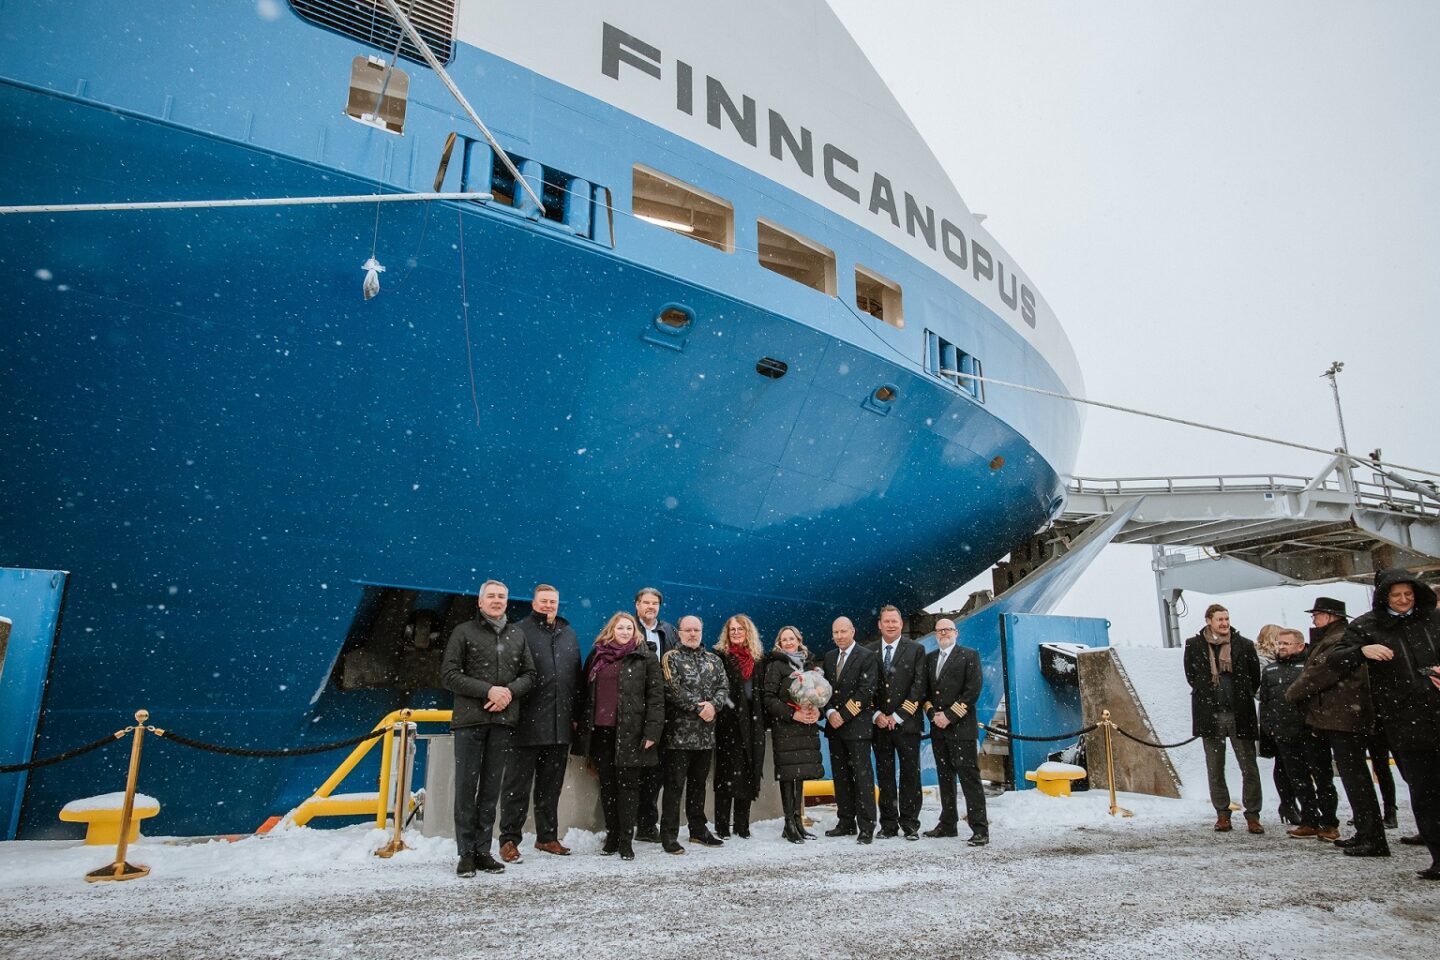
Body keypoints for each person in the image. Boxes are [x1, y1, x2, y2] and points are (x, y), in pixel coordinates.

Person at [1331, 569, 1440, 878]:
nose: (1404, 600)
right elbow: (1336, 658)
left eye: (1408, 594)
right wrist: (1361, 650)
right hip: (1405, 719)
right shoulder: (1367, 625)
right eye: (1396, 595)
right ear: (1385, 597)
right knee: (1424, 789)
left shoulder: (1433, 619)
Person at [441, 579, 537, 877]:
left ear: (507, 602)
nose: (497, 601)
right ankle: (466, 853)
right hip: (471, 721)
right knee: (466, 789)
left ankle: (484, 850)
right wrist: (488, 691)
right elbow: (449, 674)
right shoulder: (464, 632)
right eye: (491, 597)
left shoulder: (517, 635)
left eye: (502, 597)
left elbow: (530, 674)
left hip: (503, 722)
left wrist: (507, 692)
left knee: (491, 790)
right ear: (480, 602)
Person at [1285, 596, 1384, 850]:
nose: (1314, 620)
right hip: (1340, 716)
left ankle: (1371, 836)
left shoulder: (1337, 640)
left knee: (1356, 778)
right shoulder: (1337, 638)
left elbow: (1319, 672)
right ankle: (1366, 832)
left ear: (1329, 616)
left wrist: (1293, 693)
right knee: (1355, 778)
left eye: (1316, 615)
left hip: (1343, 718)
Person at [497, 584, 582, 863]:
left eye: (553, 601)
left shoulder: (568, 634)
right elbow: (507, 672)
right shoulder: (518, 630)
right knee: (516, 787)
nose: (548, 605)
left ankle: (547, 837)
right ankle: (509, 839)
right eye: (544, 601)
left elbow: (576, 680)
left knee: (550, 787)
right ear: (533, 602)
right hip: (525, 725)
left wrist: (576, 716)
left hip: (559, 726)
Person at [573, 611, 664, 861]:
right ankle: (612, 835)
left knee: (629, 787)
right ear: (611, 630)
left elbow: (656, 698)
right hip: (601, 732)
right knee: (608, 786)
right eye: (620, 628)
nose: (625, 632)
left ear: (635, 632)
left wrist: (651, 732)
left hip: (631, 733)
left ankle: (626, 839)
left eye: (629, 628)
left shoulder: (645, 658)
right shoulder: (597, 656)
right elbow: (584, 692)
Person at [1182, 603, 1264, 834]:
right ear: (1209, 620)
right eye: (1220, 619)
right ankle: (1222, 813)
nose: (1224, 623)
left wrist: (1240, 693)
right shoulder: (1195, 645)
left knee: (1249, 766)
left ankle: (1253, 814)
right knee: (1215, 767)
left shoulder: (1244, 645)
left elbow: (1254, 678)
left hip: (1239, 714)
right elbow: (1192, 676)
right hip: (1211, 715)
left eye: (1226, 619)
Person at [659, 615, 730, 854]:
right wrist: (698, 707)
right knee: (674, 787)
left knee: (699, 786)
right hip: (678, 737)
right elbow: (671, 688)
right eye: (687, 630)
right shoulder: (671, 657)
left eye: (696, 630)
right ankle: (668, 835)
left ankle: (698, 830)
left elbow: (723, 687)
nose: (692, 634)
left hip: (705, 736)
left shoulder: (713, 660)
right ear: (679, 632)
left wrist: (713, 705)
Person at [1258, 627, 1338, 840]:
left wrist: (1316, 726)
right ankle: (1309, 820)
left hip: (1311, 733)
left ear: (1300, 646)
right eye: (1279, 643)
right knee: (1298, 780)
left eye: (1286, 643)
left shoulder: (1311, 668)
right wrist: (1270, 727)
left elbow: (1320, 699)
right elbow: (1265, 702)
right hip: (1284, 735)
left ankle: (1329, 822)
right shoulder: (1270, 670)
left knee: (1323, 779)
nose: (1281, 647)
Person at [924, 619, 989, 846]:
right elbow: (926, 692)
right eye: (940, 630)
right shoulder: (930, 659)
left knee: (969, 779)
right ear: (935, 634)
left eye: (948, 629)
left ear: (956, 633)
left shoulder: (969, 656)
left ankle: (980, 828)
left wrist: (949, 716)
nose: (944, 633)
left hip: (961, 729)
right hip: (938, 730)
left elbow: (972, 691)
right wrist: (933, 714)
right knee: (945, 778)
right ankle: (948, 823)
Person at [760, 625, 824, 843]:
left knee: (801, 775)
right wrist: (792, 714)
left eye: (791, 638)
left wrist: (817, 710)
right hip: (787, 727)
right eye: (784, 639)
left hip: (806, 727)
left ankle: (798, 820)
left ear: (799, 640)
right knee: (788, 775)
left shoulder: (809, 664)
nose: (788, 642)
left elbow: (819, 693)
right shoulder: (776, 666)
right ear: (779, 642)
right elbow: (768, 699)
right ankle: (788, 823)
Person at [869, 605, 927, 840]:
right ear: (879, 624)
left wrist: (898, 715)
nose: (891, 625)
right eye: (887, 621)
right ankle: (889, 823)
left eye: (895, 621)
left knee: (911, 775)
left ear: (901, 624)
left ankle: (910, 823)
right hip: (880, 726)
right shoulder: (869, 652)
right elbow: (867, 689)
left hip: (907, 724)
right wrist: (877, 715)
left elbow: (919, 686)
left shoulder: (916, 650)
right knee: (885, 776)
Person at [822, 616, 878, 843]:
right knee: (841, 777)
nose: (839, 636)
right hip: (834, 728)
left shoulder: (867, 656)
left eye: (843, 632)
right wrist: (829, 713)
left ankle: (866, 826)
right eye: (836, 633)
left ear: (852, 631)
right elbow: (823, 690)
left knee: (862, 778)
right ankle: (845, 821)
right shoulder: (829, 657)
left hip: (857, 728)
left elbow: (866, 691)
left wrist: (841, 715)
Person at [713, 614, 767, 839]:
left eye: (740, 629)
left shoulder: (758, 660)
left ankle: (742, 824)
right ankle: (722, 825)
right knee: (725, 775)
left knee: (748, 772)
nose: (736, 633)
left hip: (752, 725)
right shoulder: (720, 657)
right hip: (728, 724)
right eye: (732, 629)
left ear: (748, 632)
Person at [632, 587, 677, 843]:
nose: (650, 607)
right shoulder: (626, 626)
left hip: (662, 707)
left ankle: (648, 824)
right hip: (634, 706)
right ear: (637, 605)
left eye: (655, 603)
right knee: (632, 768)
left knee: (656, 771)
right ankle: (626, 823)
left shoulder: (668, 631)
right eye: (646, 602)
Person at [1256, 623, 1299, 826]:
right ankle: (1288, 803)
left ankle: (1291, 803)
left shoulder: (1289, 662)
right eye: (1278, 640)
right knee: (1283, 763)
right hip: (1275, 717)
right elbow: (1259, 691)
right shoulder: (1265, 664)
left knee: (1289, 763)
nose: (1281, 645)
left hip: (1289, 717)